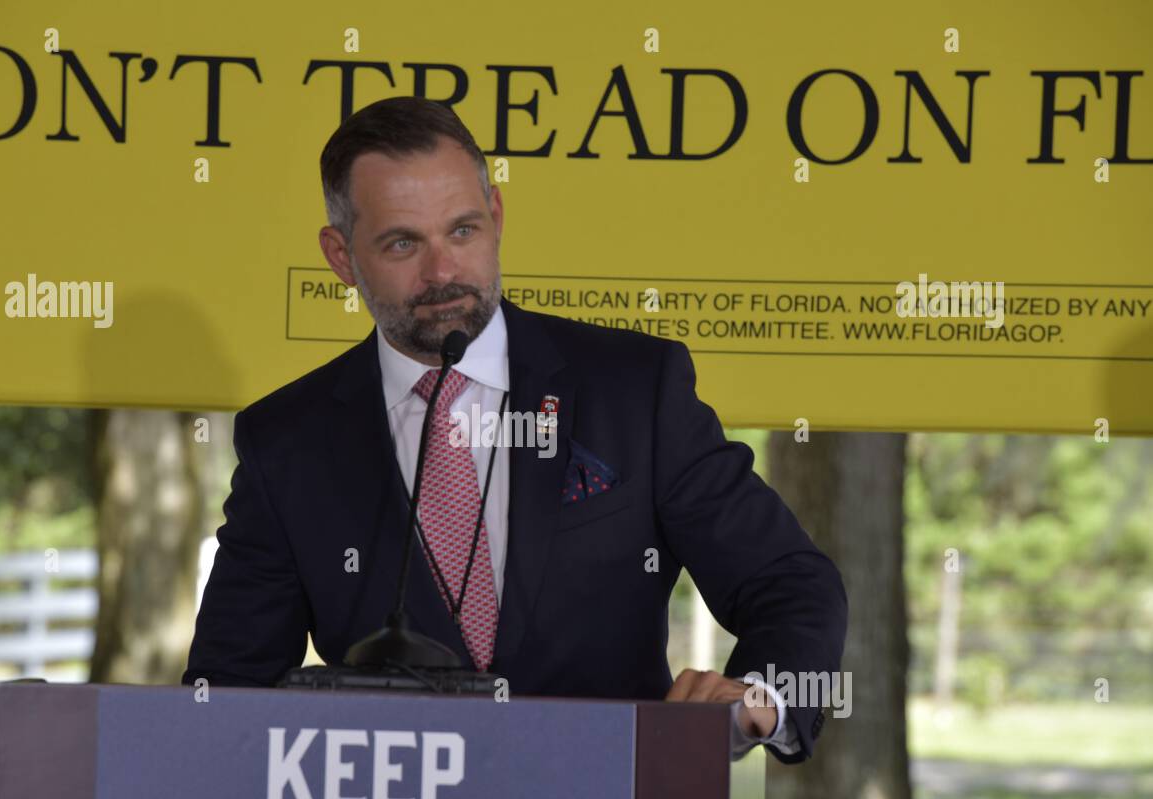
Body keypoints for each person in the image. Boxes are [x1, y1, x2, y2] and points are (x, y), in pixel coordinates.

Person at [182, 96, 847, 764]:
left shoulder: (634, 388)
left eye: (463, 231)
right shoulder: (287, 442)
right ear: (340, 255)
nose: (442, 272)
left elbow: (789, 581)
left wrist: (760, 697)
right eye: (403, 243)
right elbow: (226, 693)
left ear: (496, 217)